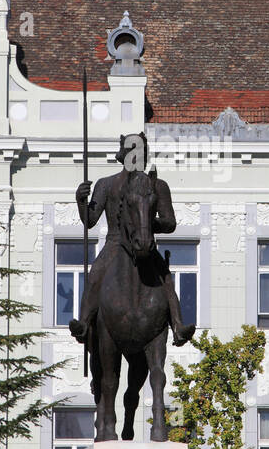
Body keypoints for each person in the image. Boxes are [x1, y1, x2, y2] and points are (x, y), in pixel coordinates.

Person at [68, 132, 195, 347]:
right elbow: (89, 221)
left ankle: (178, 326)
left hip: (144, 242)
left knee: (166, 280)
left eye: (140, 151)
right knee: (96, 274)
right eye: (131, 150)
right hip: (115, 243)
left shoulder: (158, 185)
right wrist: (81, 200)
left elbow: (170, 223)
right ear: (123, 154)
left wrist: (146, 224)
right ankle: (84, 323)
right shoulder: (107, 185)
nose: (136, 156)